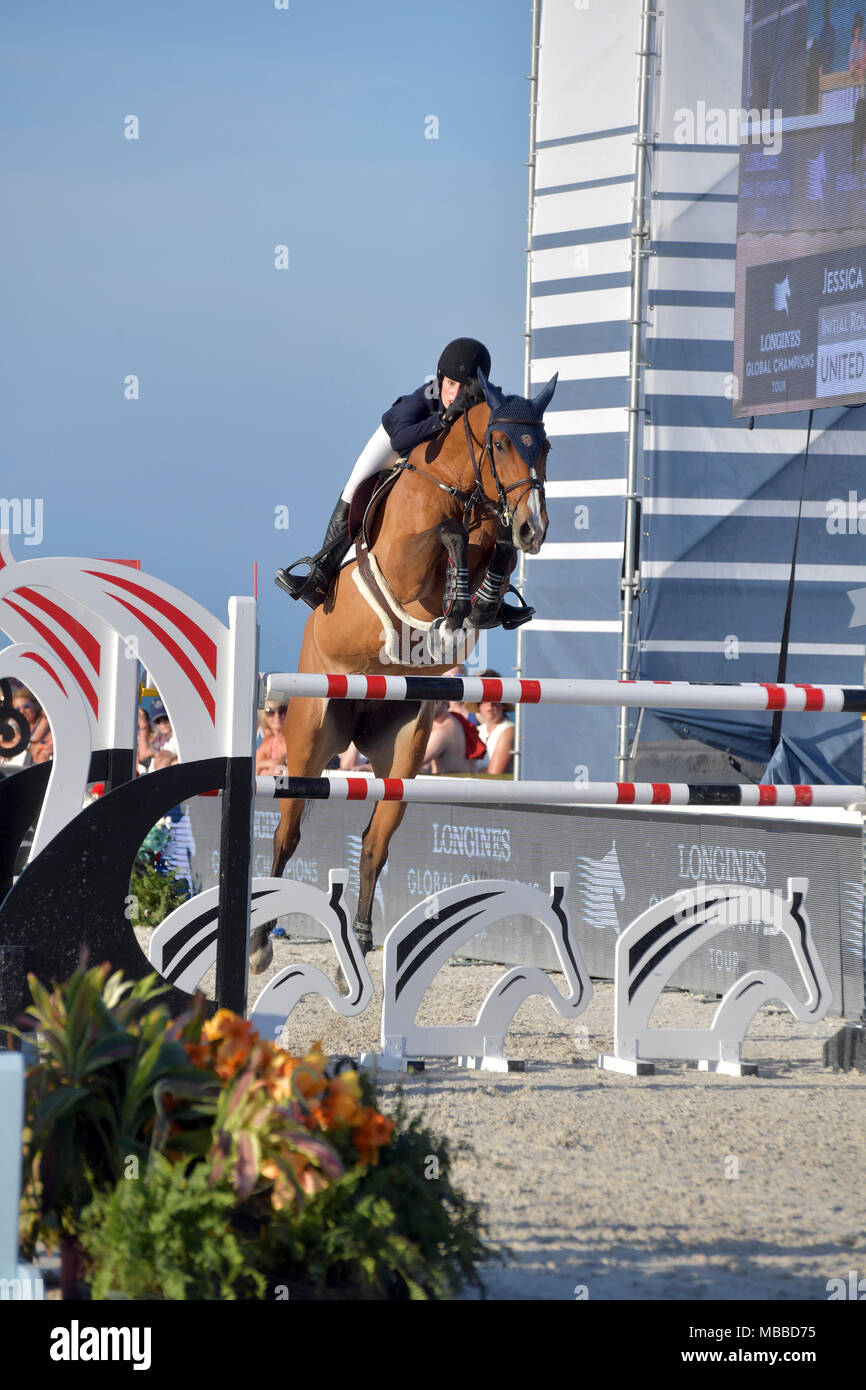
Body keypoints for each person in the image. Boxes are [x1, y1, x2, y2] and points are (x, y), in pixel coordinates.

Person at [274, 338, 492, 610]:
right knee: (355, 489)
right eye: (451, 384)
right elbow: (401, 440)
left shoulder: (479, 403)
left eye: (465, 387)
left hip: (430, 465)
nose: (455, 393)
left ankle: (493, 591)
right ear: (440, 380)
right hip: (392, 445)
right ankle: (318, 577)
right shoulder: (426, 396)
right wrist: (442, 420)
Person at [468, 669, 515, 776]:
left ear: (503, 704)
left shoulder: (509, 731)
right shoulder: (478, 730)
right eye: (484, 700)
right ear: (478, 705)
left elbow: (494, 775)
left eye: (494, 699)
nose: (489, 706)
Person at [256, 701, 288, 775]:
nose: (277, 716)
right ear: (264, 717)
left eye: (282, 711)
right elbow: (254, 769)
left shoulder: (296, 740)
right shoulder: (268, 742)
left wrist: (264, 770)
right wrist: (275, 762)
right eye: (270, 712)